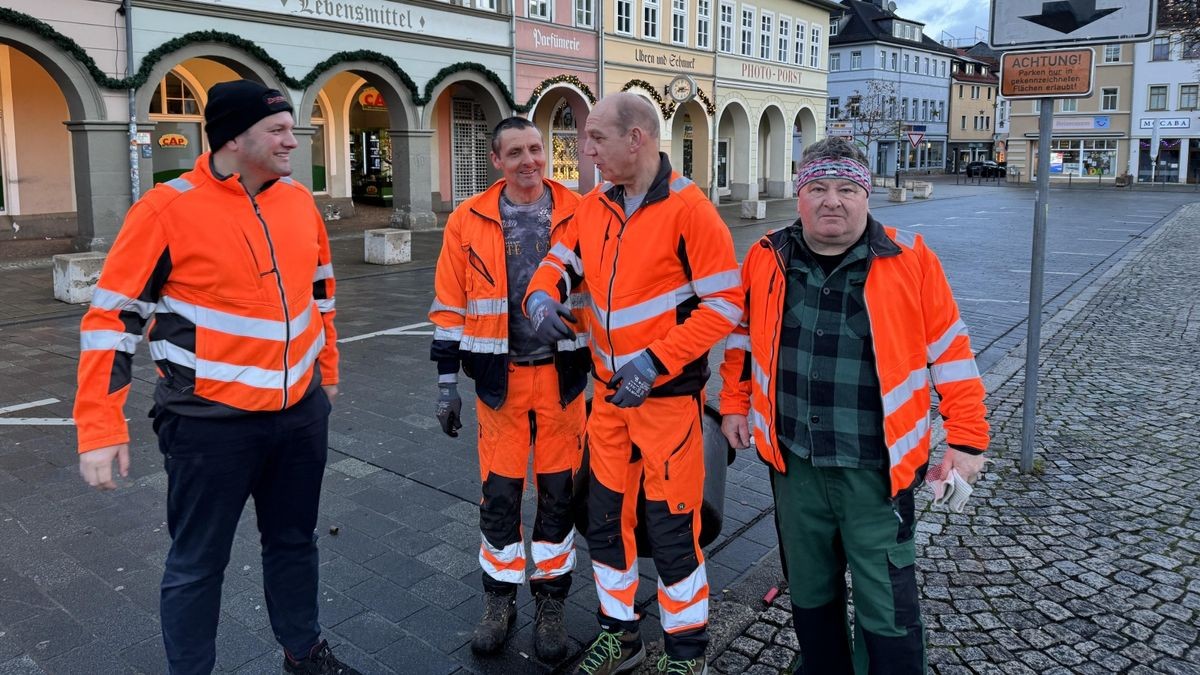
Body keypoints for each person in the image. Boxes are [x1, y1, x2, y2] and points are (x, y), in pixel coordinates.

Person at [73, 79, 358, 675]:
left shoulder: (299, 201)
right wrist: (100, 426)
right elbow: (113, 320)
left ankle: (304, 653)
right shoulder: (165, 208)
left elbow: (321, 291)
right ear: (234, 136)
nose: (292, 139)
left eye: (291, 127)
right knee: (198, 562)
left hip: (299, 414)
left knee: (293, 542)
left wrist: (324, 372)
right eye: (278, 129)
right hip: (209, 425)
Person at [718, 136, 990, 675]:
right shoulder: (766, 256)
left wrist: (966, 440)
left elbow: (952, 353)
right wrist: (733, 404)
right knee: (810, 589)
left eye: (846, 188)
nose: (831, 201)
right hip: (794, 464)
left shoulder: (910, 260)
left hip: (876, 470)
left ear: (868, 194)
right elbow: (742, 338)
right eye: (817, 187)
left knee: (886, 602)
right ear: (799, 195)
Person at [524, 92, 743, 675]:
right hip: (609, 404)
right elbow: (558, 263)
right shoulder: (596, 206)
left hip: (668, 407)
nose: (583, 151)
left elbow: (725, 305)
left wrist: (656, 362)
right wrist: (541, 296)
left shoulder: (690, 210)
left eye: (594, 139)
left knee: (673, 535)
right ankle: (619, 637)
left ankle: (685, 654)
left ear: (636, 139)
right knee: (604, 525)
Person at [428, 117, 590, 662]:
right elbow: (450, 307)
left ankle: (550, 602)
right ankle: (499, 601)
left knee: (556, 499)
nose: (529, 160)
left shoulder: (579, 212)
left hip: (562, 382)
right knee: (499, 499)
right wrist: (447, 384)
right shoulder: (467, 221)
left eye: (536, 149)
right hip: (501, 386)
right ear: (496, 160)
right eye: (516, 152)